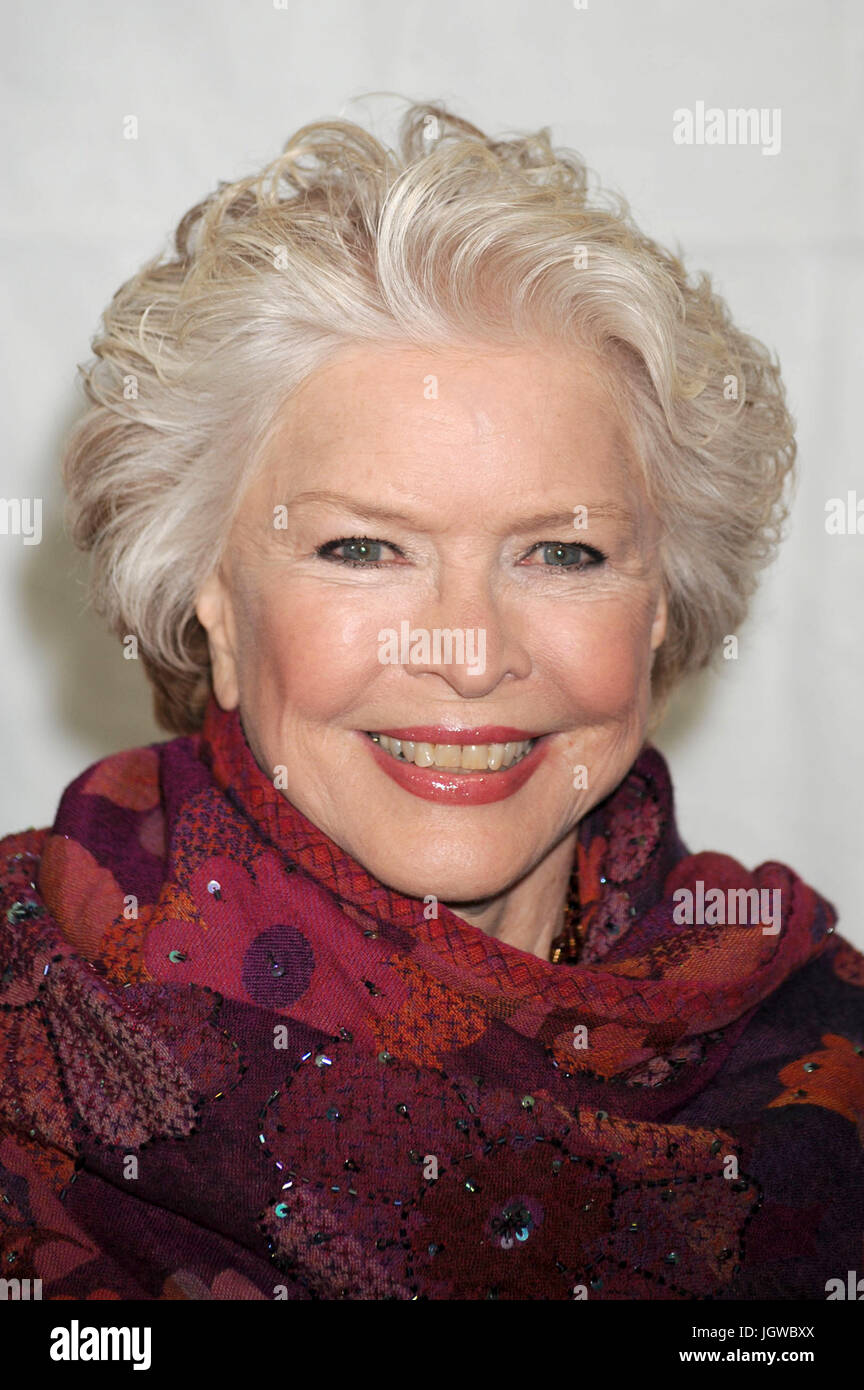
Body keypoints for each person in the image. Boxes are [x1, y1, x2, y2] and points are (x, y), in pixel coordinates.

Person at [1, 100, 861, 1301]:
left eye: (563, 555)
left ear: (662, 611)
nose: (469, 654)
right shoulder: (24, 1000)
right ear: (216, 609)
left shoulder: (822, 1046)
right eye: (363, 548)